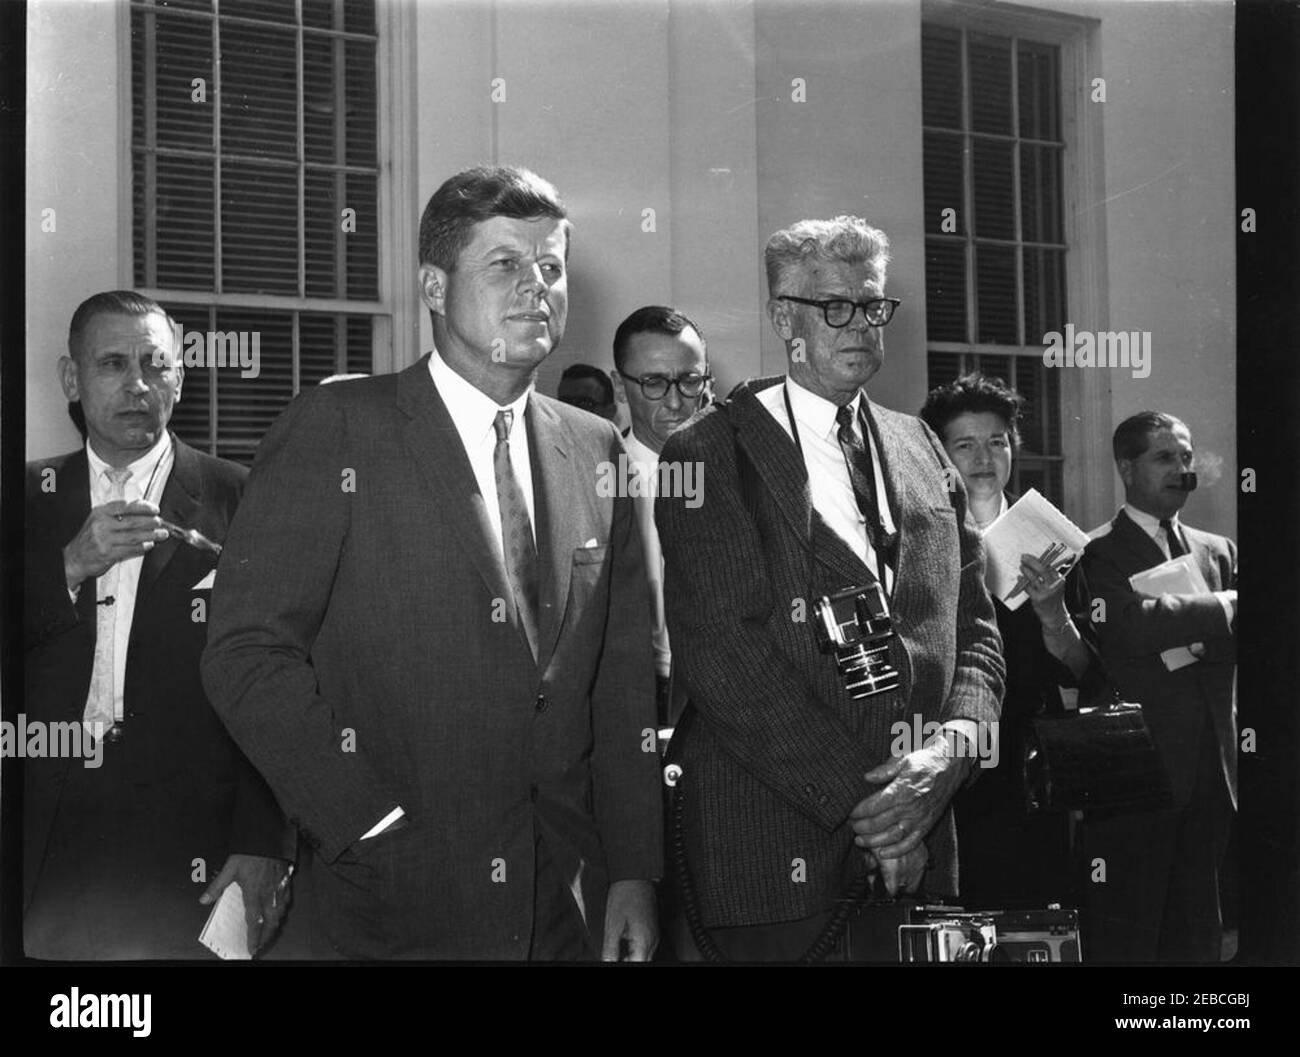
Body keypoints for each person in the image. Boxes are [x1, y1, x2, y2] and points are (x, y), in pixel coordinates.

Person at [201, 166, 663, 960]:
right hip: (387, 903)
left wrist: (632, 869)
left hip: (561, 906)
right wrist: (361, 819)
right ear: (435, 287)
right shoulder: (340, 427)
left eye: (550, 267)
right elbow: (245, 652)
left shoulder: (596, 448)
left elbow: (621, 683)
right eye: (505, 265)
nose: (536, 288)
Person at [656, 216, 1004, 961]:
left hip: (923, 854)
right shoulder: (707, 453)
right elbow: (727, 658)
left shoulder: (920, 444)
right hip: (778, 857)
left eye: (872, 306)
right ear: (785, 317)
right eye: (834, 307)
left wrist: (949, 758)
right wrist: (878, 810)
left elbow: (974, 626)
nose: (859, 325)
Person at [23, 290, 293, 959]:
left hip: (187, 838)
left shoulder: (245, 498)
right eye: (113, 363)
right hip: (38, 822)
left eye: (157, 364)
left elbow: (281, 683)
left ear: (182, 376)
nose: (138, 384)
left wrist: (263, 843)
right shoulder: (22, 499)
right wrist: (67, 567)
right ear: (72, 378)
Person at [920, 373, 1105, 909]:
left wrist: (1053, 614)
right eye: (965, 444)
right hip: (945, 758)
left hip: (1027, 768)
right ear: (939, 453)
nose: (984, 457)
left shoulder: (1055, 542)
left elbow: (1085, 670)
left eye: (997, 441)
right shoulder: (918, 540)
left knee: (1029, 918)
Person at [1079, 412, 1237, 962]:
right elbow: (1123, 628)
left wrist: (1192, 632)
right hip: (1137, 771)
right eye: (1165, 458)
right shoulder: (1093, 551)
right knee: (1131, 928)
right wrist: (1219, 609)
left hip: (1211, 768)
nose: (1182, 470)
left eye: (1187, 457)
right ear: (1126, 467)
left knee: (1198, 929)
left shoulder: (1218, 551)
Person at [609, 305, 712, 726]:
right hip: (627, 699)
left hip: (720, 697)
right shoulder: (597, 476)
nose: (674, 402)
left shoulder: (742, 476)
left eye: (689, 381)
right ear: (619, 387)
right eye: (653, 382)